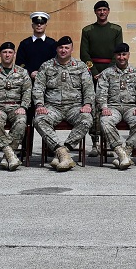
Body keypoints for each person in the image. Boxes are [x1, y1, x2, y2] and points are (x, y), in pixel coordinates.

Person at [33, 36, 94, 171]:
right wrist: (39, 105)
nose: (63, 50)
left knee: (87, 119)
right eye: (61, 47)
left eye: (66, 48)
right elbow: (38, 88)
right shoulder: (46, 66)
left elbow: (88, 88)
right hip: (52, 107)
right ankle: (60, 151)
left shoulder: (81, 66)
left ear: (72, 49)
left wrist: (88, 104)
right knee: (39, 119)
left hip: (74, 107)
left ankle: (63, 151)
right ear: (56, 49)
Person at [95, 42, 136, 170]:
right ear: (115, 56)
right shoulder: (107, 73)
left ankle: (127, 150)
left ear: (128, 55)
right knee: (105, 121)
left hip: (131, 108)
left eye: (124, 54)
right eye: (119, 55)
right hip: (112, 107)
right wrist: (104, 107)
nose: (121, 57)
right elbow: (101, 92)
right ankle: (120, 151)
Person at [80, 0, 123, 156]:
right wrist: (94, 72)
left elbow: (118, 53)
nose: (102, 12)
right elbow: (84, 54)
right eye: (99, 10)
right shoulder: (88, 30)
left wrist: (107, 72)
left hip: (111, 72)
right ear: (95, 12)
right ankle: (95, 144)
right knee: (93, 107)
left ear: (109, 11)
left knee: (109, 107)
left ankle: (110, 143)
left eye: (104, 9)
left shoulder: (116, 30)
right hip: (92, 72)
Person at [0, 42, 32, 171]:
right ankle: (11, 154)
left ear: (14, 54)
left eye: (10, 52)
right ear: (0, 54)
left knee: (21, 121)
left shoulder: (22, 72)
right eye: (4, 52)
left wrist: (24, 106)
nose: (7, 55)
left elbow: (27, 91)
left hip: (16, 107)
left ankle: (7, 156)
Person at [16, 12, 58, 80]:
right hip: (28, 81)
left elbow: (55, 63)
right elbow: (20, 63)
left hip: (47, 81)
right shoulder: (25, 44)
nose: (39, 25)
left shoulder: (52, 44)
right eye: (36, 23)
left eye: (42, 23)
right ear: (32, 25)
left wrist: (42, 73)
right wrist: (30, 72)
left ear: (45, 25)